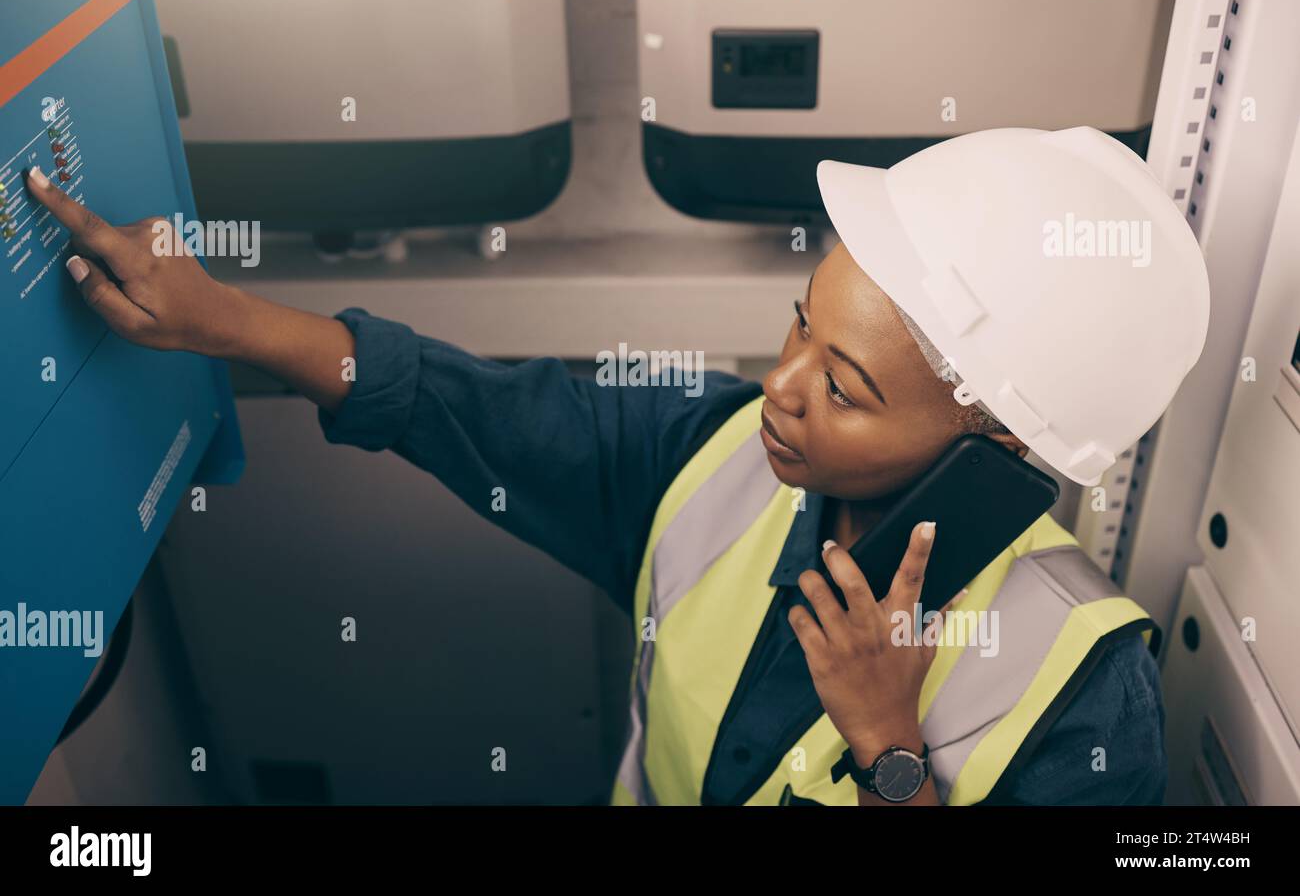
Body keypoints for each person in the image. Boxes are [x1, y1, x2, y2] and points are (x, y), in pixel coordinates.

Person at [21, 124, 1209, 805]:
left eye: (844, 389)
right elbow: (463, 406)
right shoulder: (716, 459)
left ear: (999, 450)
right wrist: (220, 320)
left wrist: (890, 754)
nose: (779, 389)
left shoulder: (1087, 696)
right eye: (801, 323)